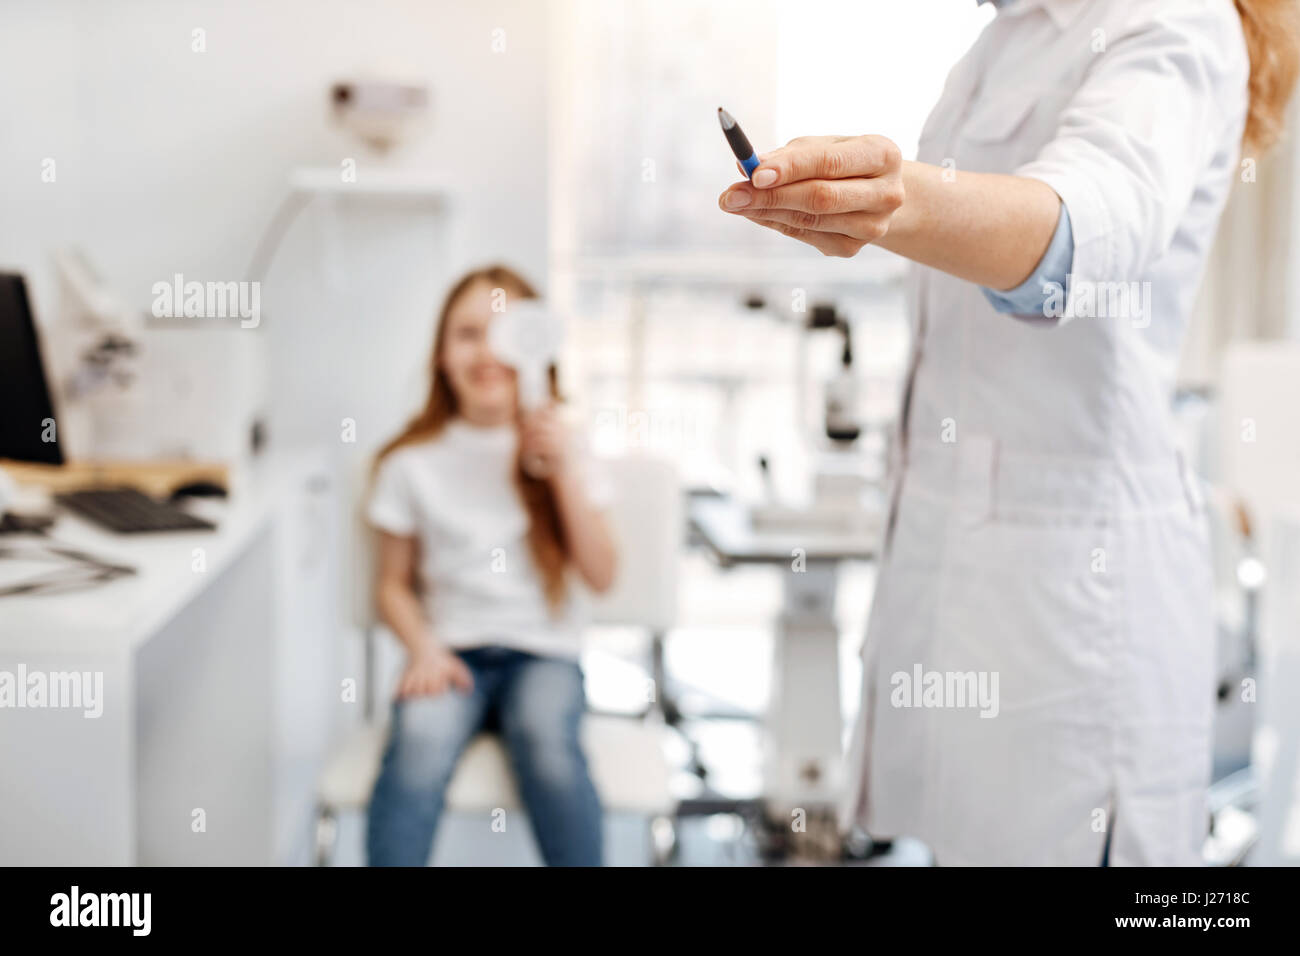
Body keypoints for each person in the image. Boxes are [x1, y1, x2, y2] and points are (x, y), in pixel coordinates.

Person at [718, 0, 1299, 865]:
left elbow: (1089, 224)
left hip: (1078, 622)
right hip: (962, 605)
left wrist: (899, 199)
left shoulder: (1172, 19)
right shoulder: (1002, 40)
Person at [365, 264, 617, 867]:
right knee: (420, 743)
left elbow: (602, 575)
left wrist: (561, 474)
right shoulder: (409, 464)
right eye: (467, 333)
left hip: (543, 654)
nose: (486, 352)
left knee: (546, 741)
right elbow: (392, 586)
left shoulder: (567, 449)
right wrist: (423, 647)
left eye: (503, 334)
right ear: (441, 355)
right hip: (449, 655)